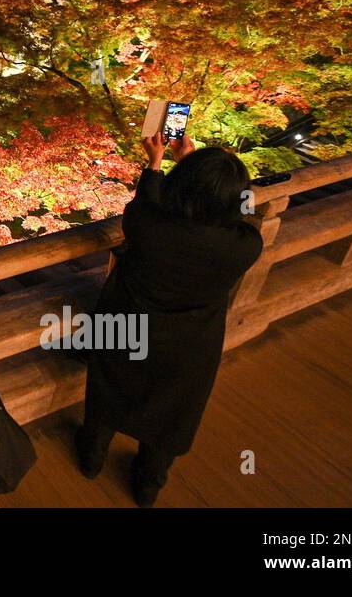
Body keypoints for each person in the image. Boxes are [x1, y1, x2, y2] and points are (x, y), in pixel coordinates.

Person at [78, 133, 264, 507]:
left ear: (179, 186)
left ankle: (92, 457)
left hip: (126, 327)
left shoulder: (149, 225)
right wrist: (196, 174)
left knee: (108, 388)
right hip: (191, 342)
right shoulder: (244, 246)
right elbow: (227, 216)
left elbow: (148, 202)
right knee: (175, 409)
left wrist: (158, 161)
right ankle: (148, 483)